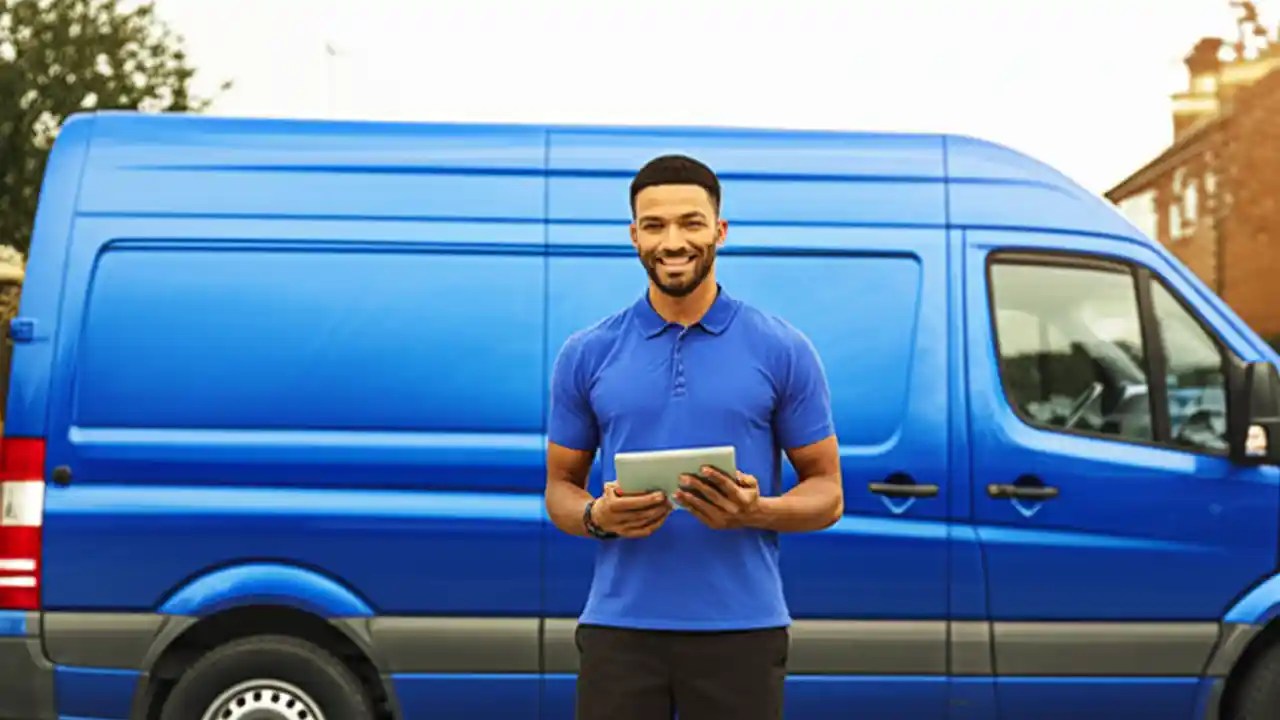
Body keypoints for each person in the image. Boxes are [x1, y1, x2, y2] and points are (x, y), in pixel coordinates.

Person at [544, 153, 843, 720]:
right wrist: (595, 518)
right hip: (619, 629)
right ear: (634, 236)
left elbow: (828, 491)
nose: (672, 240)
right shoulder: (587, 353)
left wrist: (757, 510)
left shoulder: (782, 348)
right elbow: (560, 488)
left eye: (691, 222)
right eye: (654, 225)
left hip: (742, 629)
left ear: (719, 231)